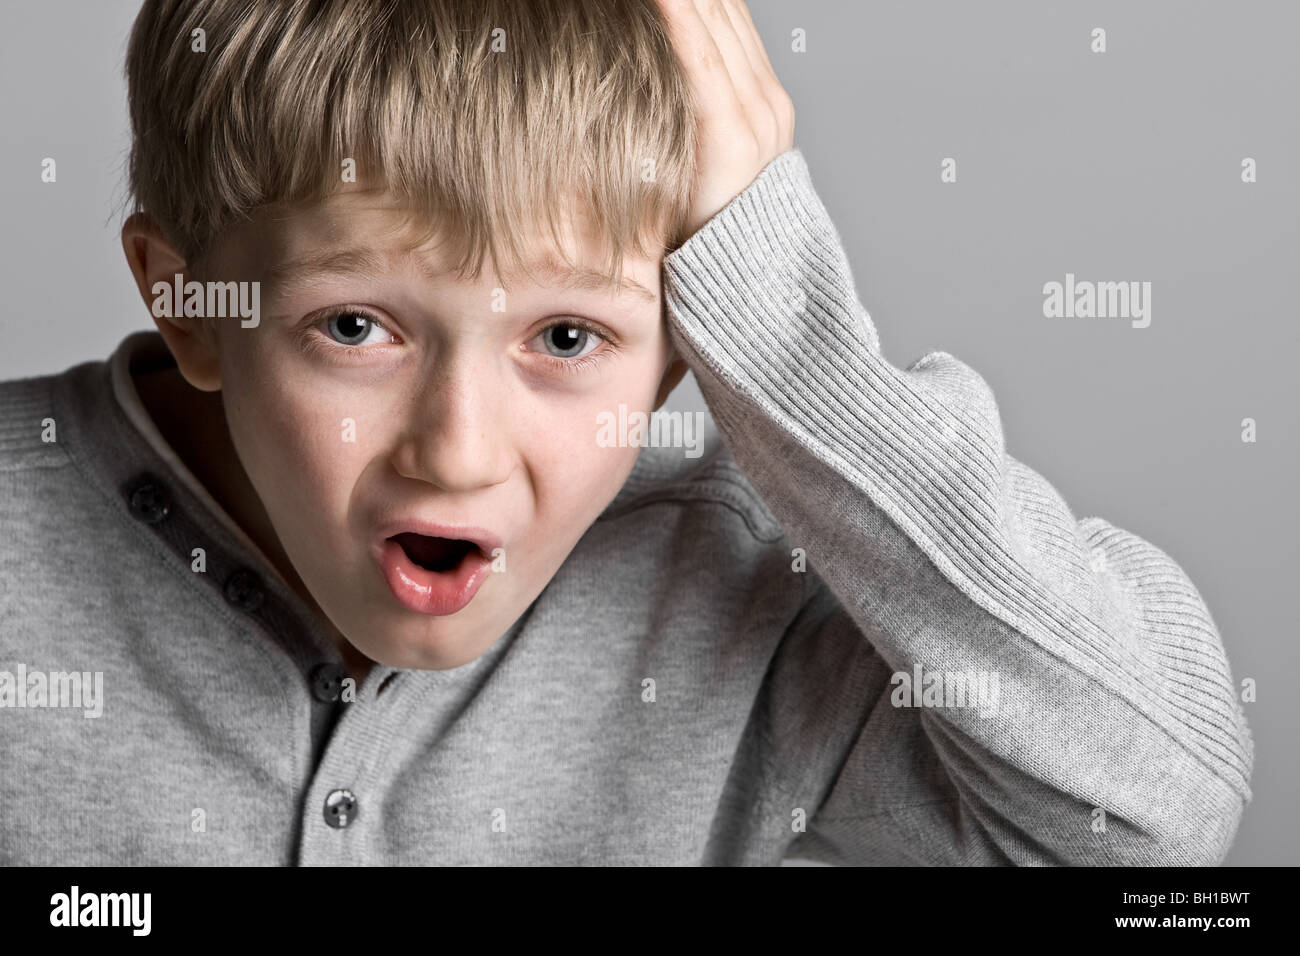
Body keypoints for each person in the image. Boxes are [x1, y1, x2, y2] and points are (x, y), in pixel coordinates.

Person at [0, 0, 1252, 865]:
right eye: (356, 327)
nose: (458, 449)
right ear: (189, 300)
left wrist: (780, 327)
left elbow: (1146, 826)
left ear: (681, 351)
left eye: (564, 340)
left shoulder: (738, 588)